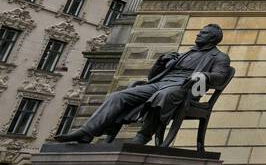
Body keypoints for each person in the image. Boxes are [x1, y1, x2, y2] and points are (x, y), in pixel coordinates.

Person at [55, 23, 234, 145]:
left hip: (185, 89)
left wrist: (202, 75)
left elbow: (219, 77)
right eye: (200, 32)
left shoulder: (219, 57)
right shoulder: (185, 53)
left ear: (212, 38)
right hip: (161, 83)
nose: (198, 34)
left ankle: (143, 136)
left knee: (163, 96)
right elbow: (153, 77)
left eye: (203, 33)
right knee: (119, 96)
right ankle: (88, 131)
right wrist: (161, 62)